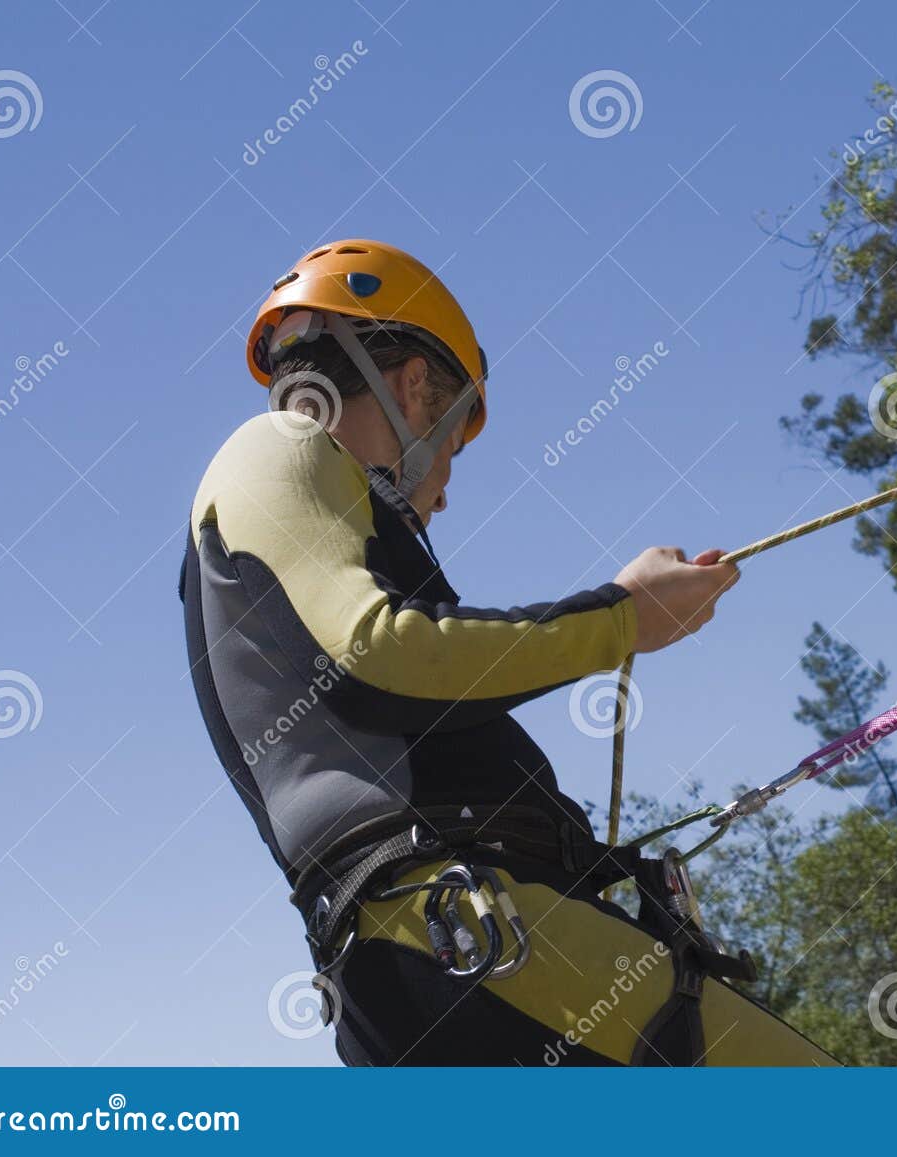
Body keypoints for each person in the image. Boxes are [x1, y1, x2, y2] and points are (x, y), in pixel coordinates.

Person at [180, 239, 835, 1066]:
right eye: (452, 442)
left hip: (444, 956)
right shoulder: (276, 446)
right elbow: (376, 655)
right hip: (470, 937)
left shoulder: (288, 536)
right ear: (416, 388)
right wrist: (624, 616)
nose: (446, 486)